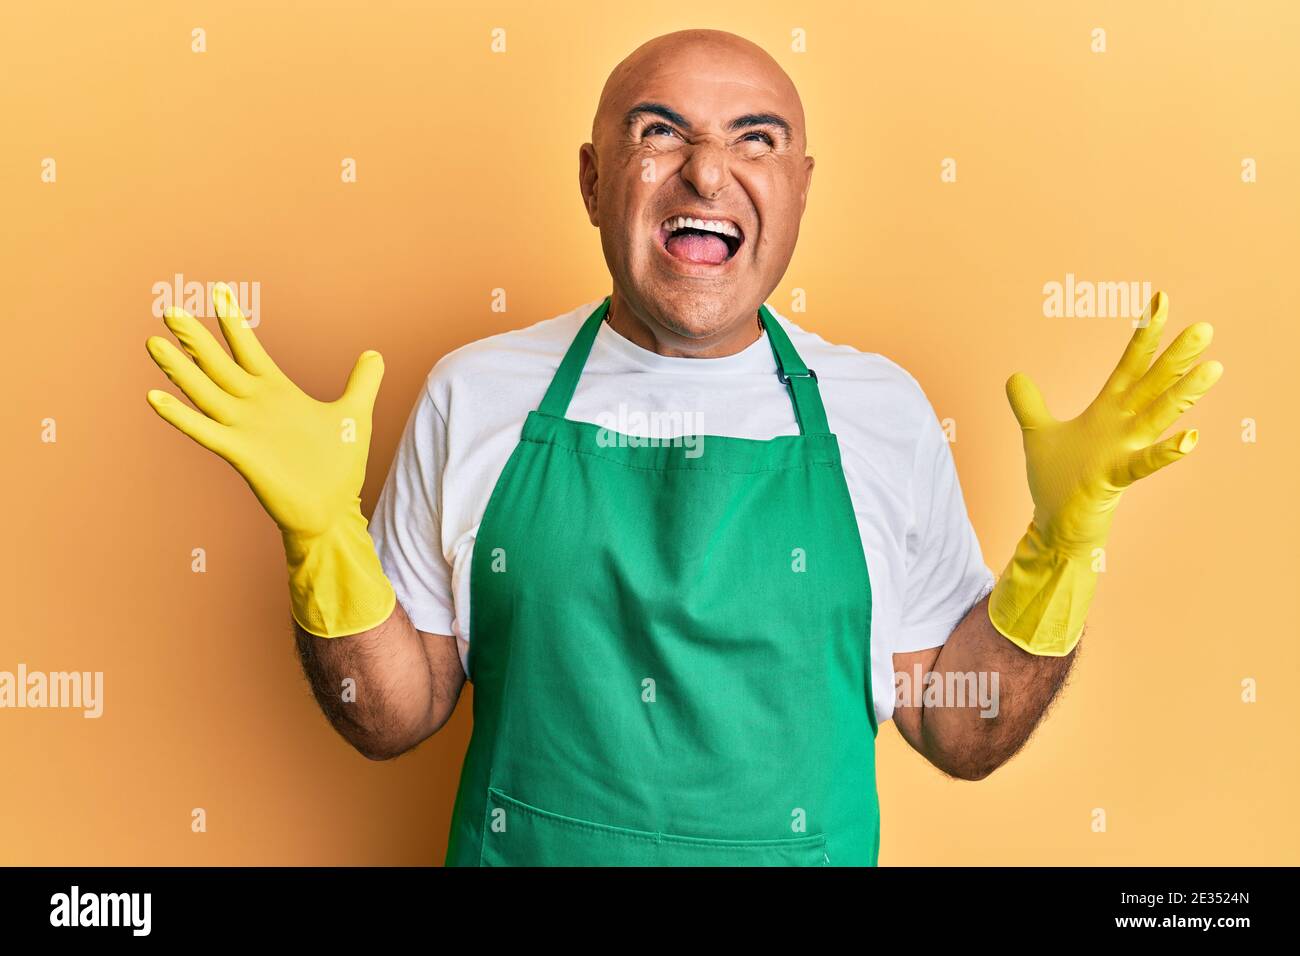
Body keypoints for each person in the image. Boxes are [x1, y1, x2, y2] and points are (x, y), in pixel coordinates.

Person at [144, 29, 1222, 866]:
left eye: (755, 139)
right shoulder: (479, 391)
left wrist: (1061, 548)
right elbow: (394, 714)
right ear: (591, 179)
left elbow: (962, 728)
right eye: (658, 132)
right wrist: (319, 538)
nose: (707, 173)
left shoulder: (877, 409)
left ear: (799, 187)